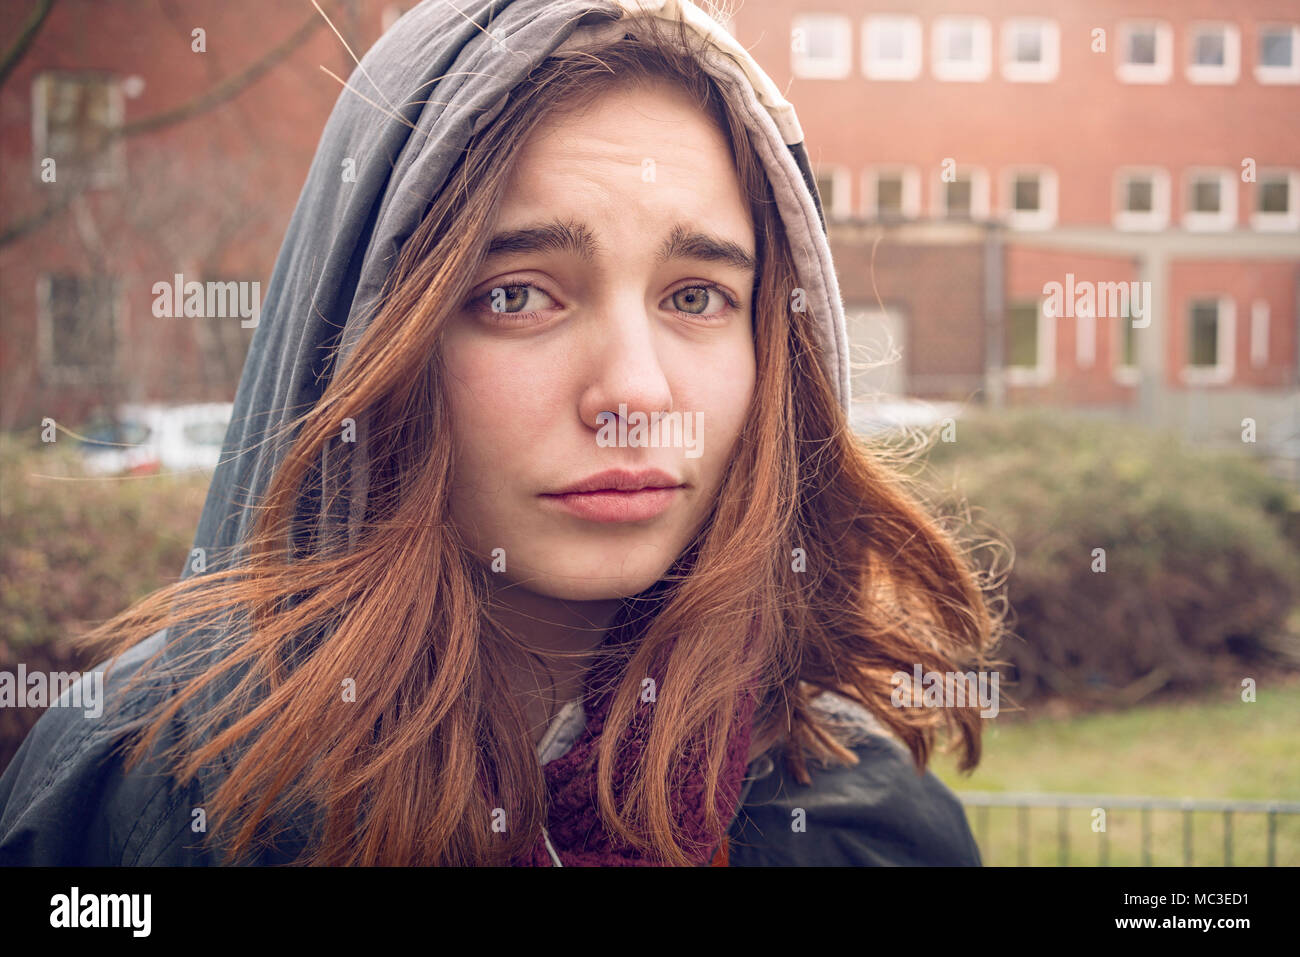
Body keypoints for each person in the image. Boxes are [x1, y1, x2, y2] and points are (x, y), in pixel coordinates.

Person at [0, 0, 1002, 866]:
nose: (636, 394)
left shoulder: (861, 824)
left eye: (695, 295)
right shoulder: (143, 796)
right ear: (372, 333)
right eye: (517, 295)